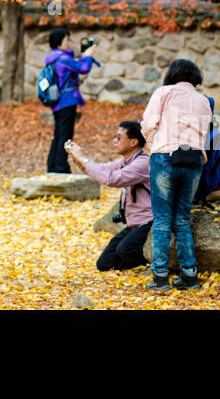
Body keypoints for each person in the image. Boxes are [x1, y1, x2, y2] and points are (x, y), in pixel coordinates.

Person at [141, 59, 212, 292]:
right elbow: (206, 132)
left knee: (162, 220)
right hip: (193, 160)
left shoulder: (164, 92)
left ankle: (160, 277)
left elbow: (148, 123)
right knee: (182, 220)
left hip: (166, 156)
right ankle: (190, 276)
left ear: (172, 74)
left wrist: (152, 144)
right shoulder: (204, 100)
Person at [67, 120, 152, 271]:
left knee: (125, 249)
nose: (114, 141)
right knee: (104, 264)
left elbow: (111, 179)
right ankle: (144, 259)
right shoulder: (124, 161)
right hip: (132, 225)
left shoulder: (142, 163)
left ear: (133, 142)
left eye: (119, 137)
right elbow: (99, 170)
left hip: (148, 223)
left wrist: (83, 158)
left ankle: (156, 259)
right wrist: (77, 157)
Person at [43, 28, 100, 173]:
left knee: (58, 135)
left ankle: (53, 166)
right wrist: (88, 56)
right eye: (67, 40)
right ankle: (61, 167)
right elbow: (84, 68)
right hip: (67, 101)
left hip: (58, 102)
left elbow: (75, 68)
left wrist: (83, 56)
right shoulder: (63, 58)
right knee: (65, 136)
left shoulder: (54, 58)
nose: (69, 43)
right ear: (59, 43)